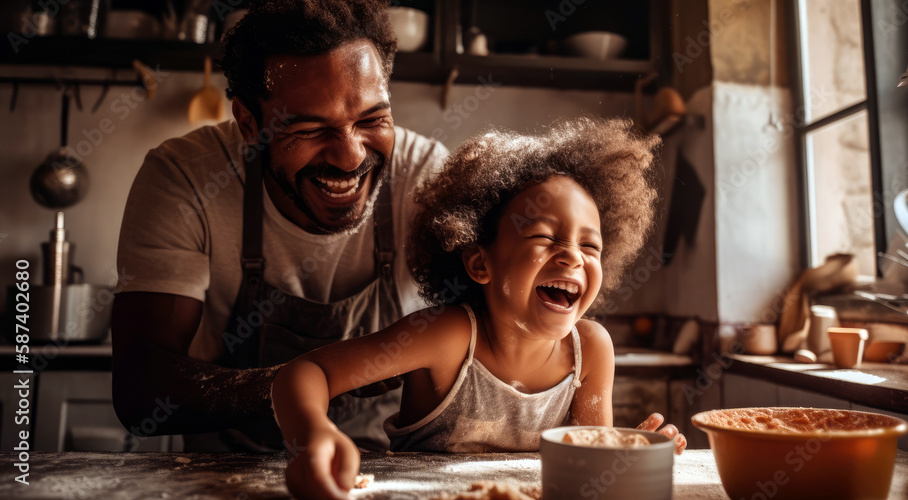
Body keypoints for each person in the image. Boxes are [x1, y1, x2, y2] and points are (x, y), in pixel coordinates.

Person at [271, 117, 688, 499]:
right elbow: (307, 372)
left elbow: (591, 473)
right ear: (479, 262)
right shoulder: (446, 338)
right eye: (545, 237)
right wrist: (311, 434)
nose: (574, 257)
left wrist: (630, 452)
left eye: (589, 245)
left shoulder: (591, 350)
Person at [111, 0, 449, 451]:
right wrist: (312, 383)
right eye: (310, 129)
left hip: (389, 470)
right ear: (249, 124)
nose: (349, 157)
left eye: (372, 119)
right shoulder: (186, 177)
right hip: (226, 473)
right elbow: (140, 391)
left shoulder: (427, 178)